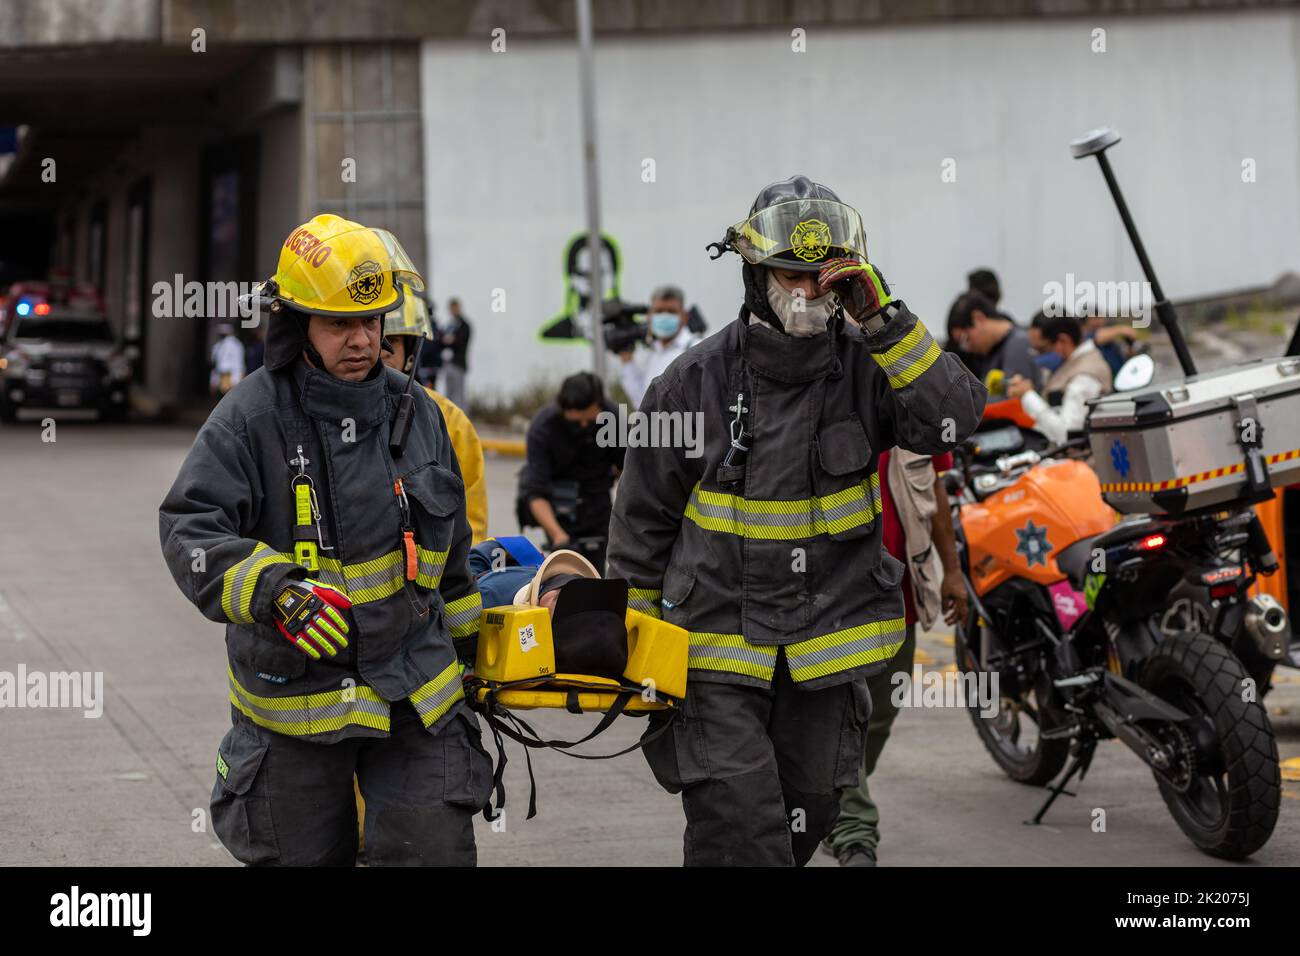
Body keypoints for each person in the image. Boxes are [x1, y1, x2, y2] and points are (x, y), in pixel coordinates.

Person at [606, 175, 986, 866]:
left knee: (803, 823)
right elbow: (641, 524)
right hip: (714, 656)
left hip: (822, 658)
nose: (809, 292)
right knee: (741, 833)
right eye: (792, 274)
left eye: (826, 277)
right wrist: (630, 652)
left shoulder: (870, 367)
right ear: (755, 274)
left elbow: (953, 419)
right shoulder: (692, 384)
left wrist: (885, 319)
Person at [159, 214, 491, 867]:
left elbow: (450, 560)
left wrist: (474, 656)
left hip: (412, 693)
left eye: (373, 323)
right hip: (295, 702)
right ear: (296, 325)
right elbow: (189, 529)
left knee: (431, 852)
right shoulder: (249, 419)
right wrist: (277, 592)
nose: (364, 339)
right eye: (341, 323)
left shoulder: (419, 414)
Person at [822, 448, 967, 866]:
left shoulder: (915, 399)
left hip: (897, 595)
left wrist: (952, 571)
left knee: (880, 714)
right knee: (838, 714)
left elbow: (935, 488)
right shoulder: (819, 392)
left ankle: (826, 796)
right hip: (833, 599)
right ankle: (854, 831)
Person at [382, 288, 488, 543]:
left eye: (392, 341)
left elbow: (471, 525)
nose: (380, 349)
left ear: (410, 351)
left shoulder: (450, 421)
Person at [516, 371, 624, 570]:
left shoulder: (614, 417)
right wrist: (558, 536)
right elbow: (535, 493)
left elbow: (629, 473)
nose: (584, 425)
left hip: (597, 504)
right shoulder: (543, 428)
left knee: (596, 576)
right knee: (565, 577)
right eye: (576, 422)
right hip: (558, 508)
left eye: (589, 420)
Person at [1007, 314, 1113, 444]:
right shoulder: (1069, 364)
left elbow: (1067, 434)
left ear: (1063, 341)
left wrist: (1028, 396)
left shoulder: (1085, 377)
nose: (1038, 356)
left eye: (1041, 349)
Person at [617, 284, 702, 407]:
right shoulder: (651, 352)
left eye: (671, 311)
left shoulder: (697, 349)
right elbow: (642, 401)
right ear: (649, 316)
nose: (664, 316)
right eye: (659, 311)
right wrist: (627, 361)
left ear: (684, 317)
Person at [946, 290, 1038, 394]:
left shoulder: (1018, 346)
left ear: (978, 318)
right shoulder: (991, 353)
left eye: (965, 339)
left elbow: (1013, 401)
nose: (968, 348)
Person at [439, 297, 471, 408]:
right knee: (450, 394)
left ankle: (461, 420)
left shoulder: (464, 325)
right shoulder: (450, 324)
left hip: (458, 363)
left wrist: (451, 339)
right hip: (448, 363)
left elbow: (459, 341)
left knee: (459, 395)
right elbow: (441, 339)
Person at [209, 322, 245, 395]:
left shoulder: (235, 344)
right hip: (221, 376)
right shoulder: (218, 345)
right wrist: (213, 380)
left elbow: (238, 363)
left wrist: (236, 380)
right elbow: (215, 364)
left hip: (231, 376)